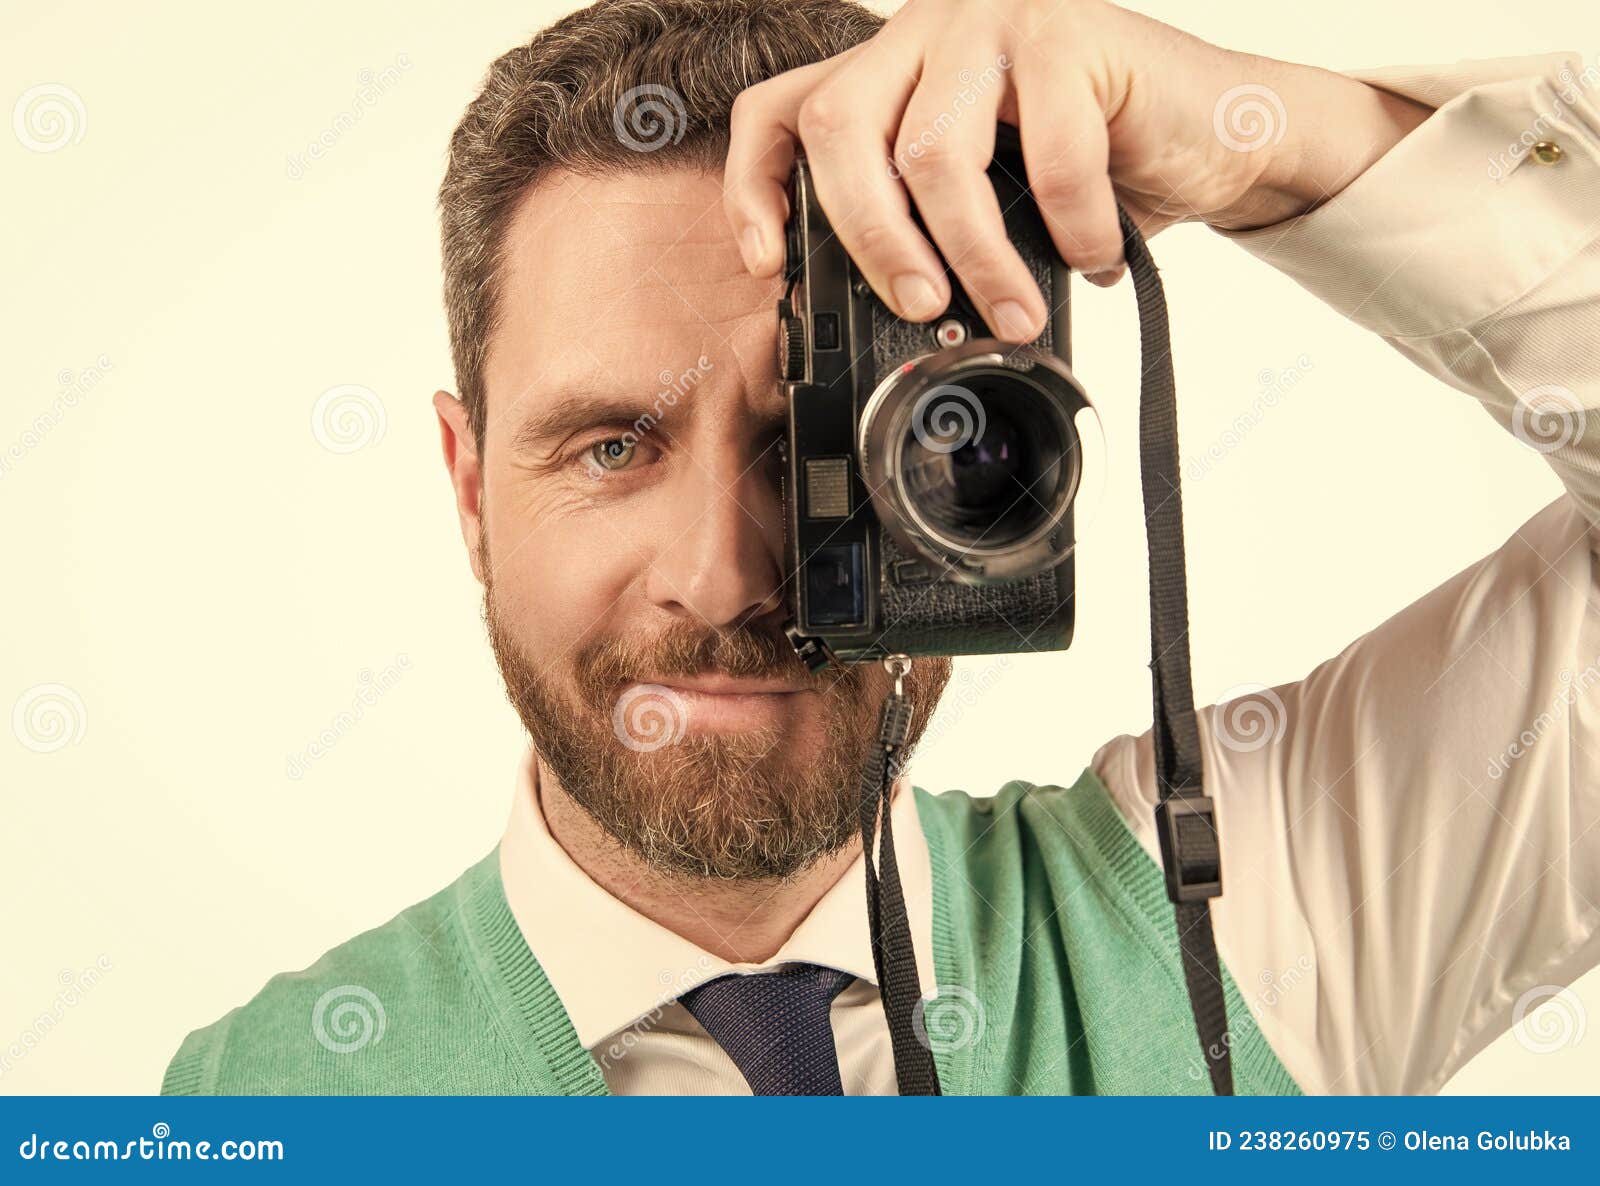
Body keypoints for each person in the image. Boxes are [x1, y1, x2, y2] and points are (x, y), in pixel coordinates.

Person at [162, 0, 1600, 1095]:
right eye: (611, 446)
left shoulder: (1255, 916)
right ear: (469, 489)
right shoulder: (262, 1093)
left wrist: (1262, 139)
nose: (722, 577)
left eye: (820, 449)